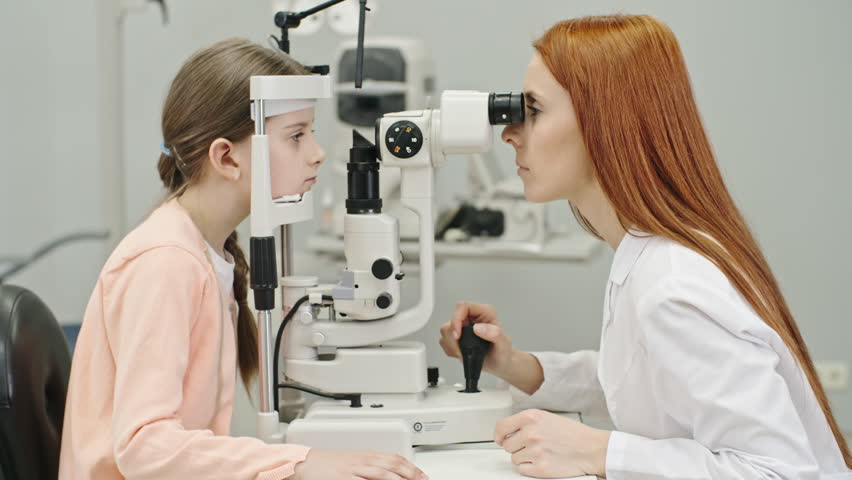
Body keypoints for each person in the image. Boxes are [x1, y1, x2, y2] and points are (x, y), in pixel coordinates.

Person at [440, 14, 852, 480]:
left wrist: (599, 452)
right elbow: (645, 383)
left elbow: (780, 472)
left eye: (532, 110)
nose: (509, 133)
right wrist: (518, 366)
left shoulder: (674, 285)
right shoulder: (651, 254)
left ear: (605, 121)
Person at [59, 38, 428, 480]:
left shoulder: (206, 250)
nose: (317, 151)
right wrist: (299, 463)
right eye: (296, 136)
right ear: (226, 157)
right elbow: (145, 447)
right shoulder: (166, 263)